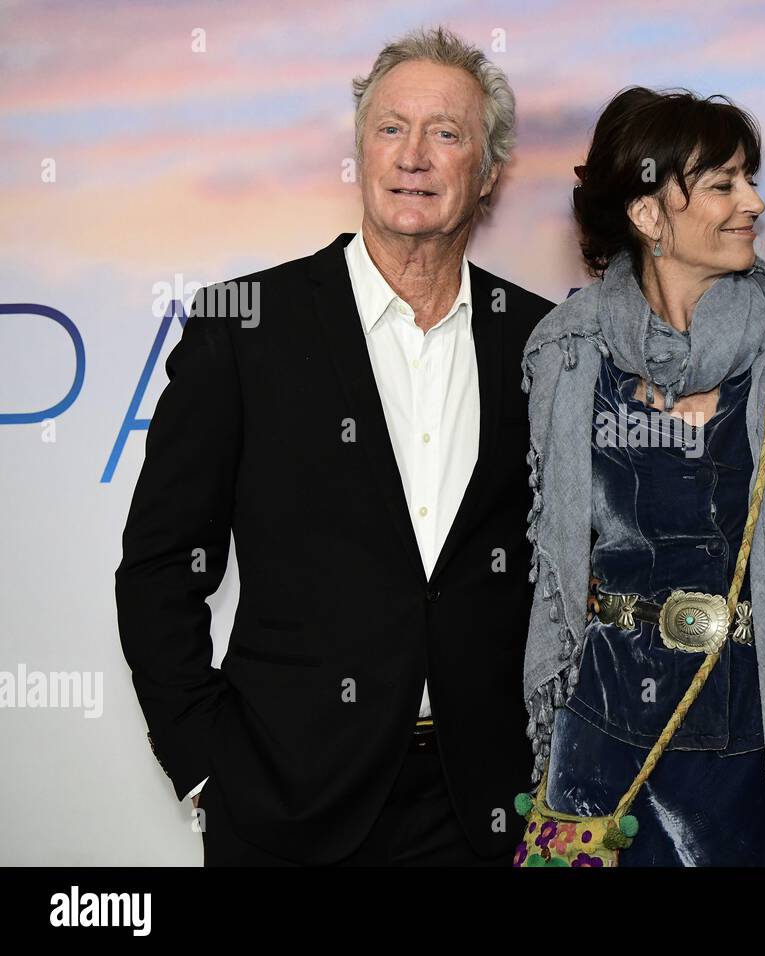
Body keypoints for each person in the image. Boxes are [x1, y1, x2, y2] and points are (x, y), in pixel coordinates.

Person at [115, 26, 553, 865]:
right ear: (360, 151)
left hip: (485, 811)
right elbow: (161, 566)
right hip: (287, 806)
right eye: (391, 128)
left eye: (447, 133)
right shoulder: (244, 328)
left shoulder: (541, 341)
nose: (414, 156)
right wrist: (208, 765)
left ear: (489, 173)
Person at [516, 87, 765, 866]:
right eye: (725, 184)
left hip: (747, 731)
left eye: (750, 180)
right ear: (647, 214)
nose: (755, 203)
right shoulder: (565, 353)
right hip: (598, 732)